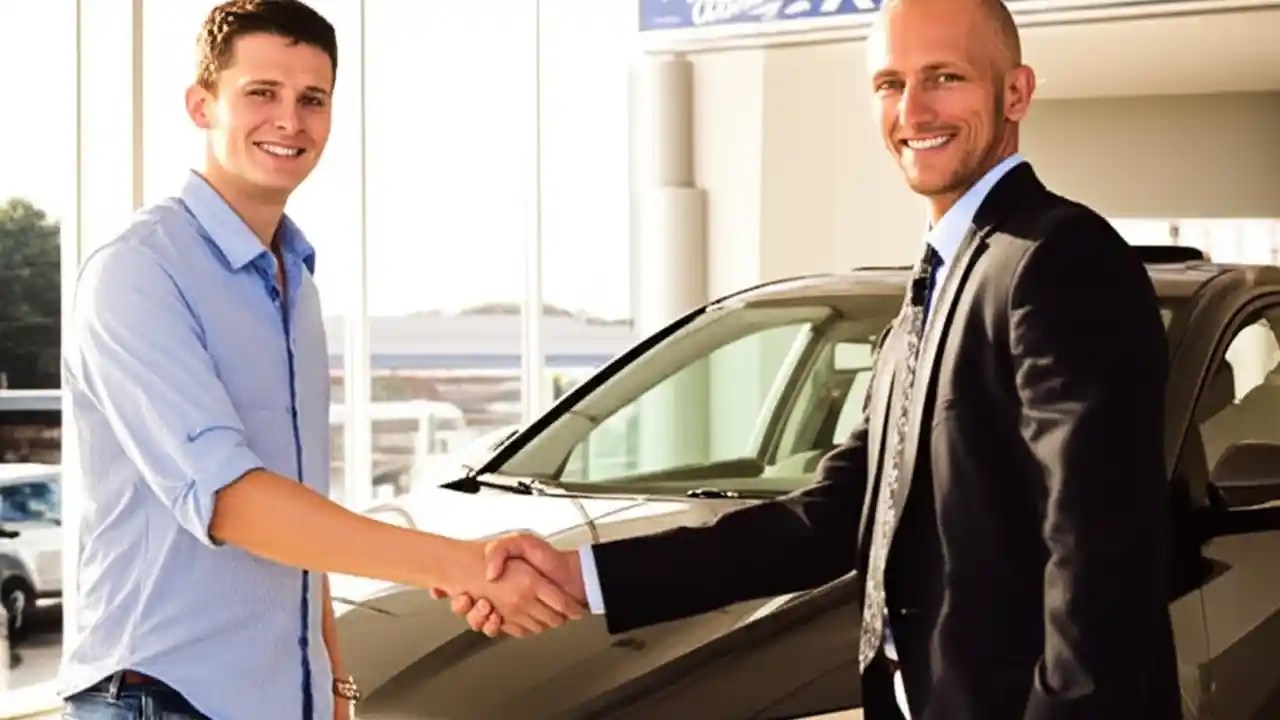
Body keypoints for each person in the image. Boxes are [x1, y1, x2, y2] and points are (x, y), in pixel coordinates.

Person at [440, 0, 1183, 717]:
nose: (913, 111)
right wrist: (581, 574)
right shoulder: (937, 287)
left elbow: (1100, 558)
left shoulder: (1055, 260)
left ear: (1015, 91)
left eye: (945, 77)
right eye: (890, 83)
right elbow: (827, 520)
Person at [57, 2, 582, 719]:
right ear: (201, 103)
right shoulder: (140, 272)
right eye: (261, 93)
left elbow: (298, 506)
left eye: (313, 100)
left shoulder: (292, 282)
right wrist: (466, 566)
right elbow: (232, 501)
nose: (290, 121)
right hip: (160, 697)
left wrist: (333, 680)